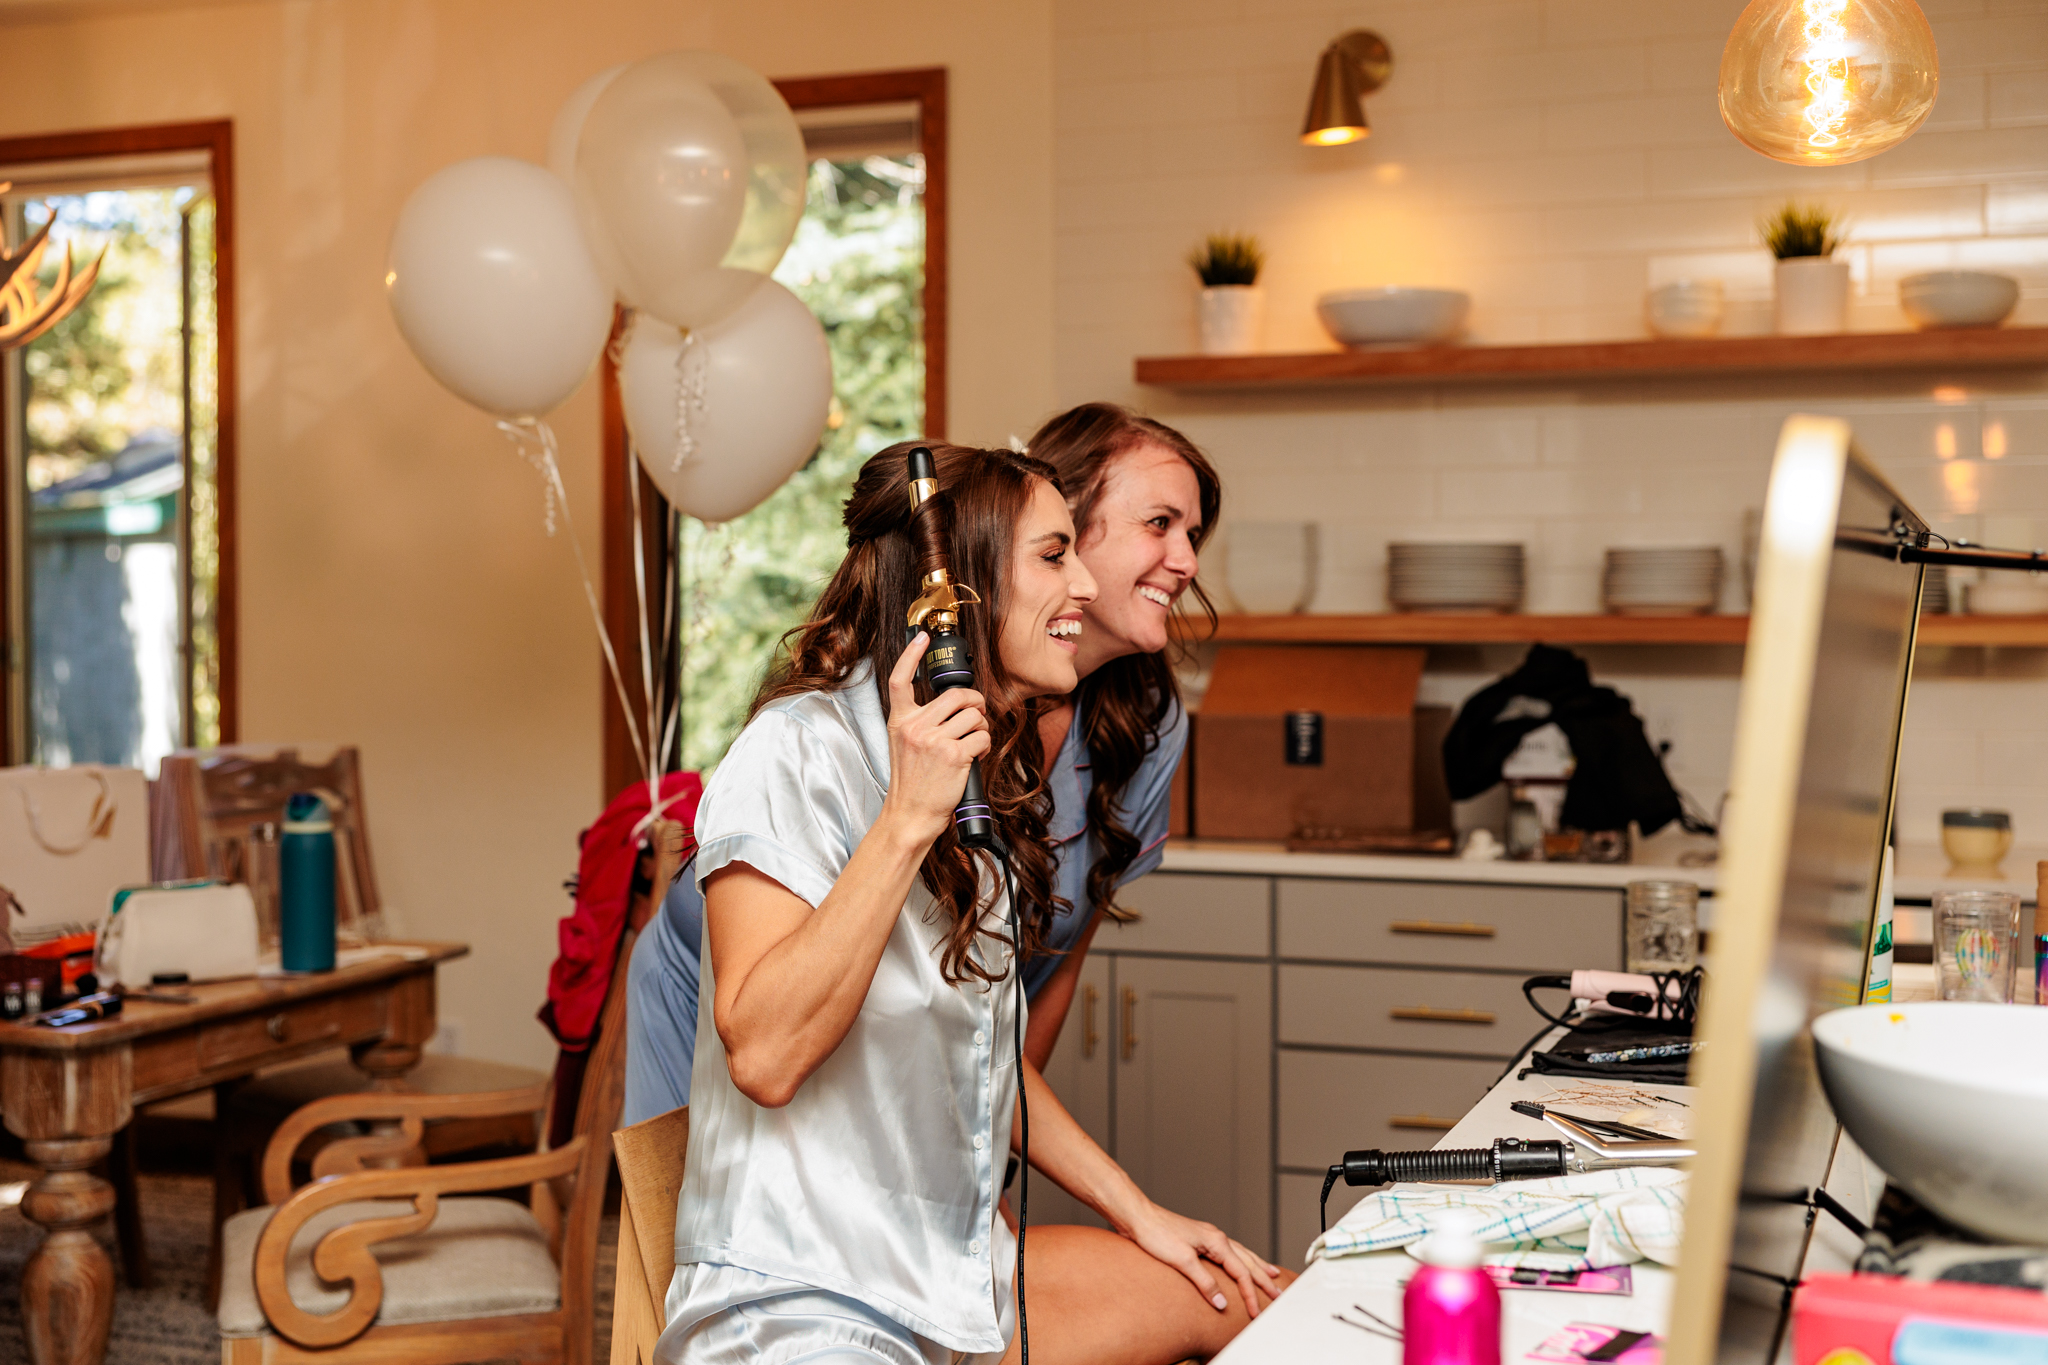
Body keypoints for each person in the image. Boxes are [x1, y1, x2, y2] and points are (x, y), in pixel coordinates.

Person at [659, 443, 1283, 1365]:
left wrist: (1140, 1212)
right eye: (1053, 555)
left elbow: (990, 1059)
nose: (1082, 584)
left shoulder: (986, 776)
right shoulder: (796, 749)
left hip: (956, 1277)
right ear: (954, 595)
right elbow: (766, 1054)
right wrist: (908, 818)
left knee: (1257, 1299)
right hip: (803, 1297)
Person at [624, 401, 1222, 1109]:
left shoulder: (1137, 724)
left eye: (1193, 533)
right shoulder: (836, 735)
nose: (1186, 562)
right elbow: (768, 1050)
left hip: (905, 1067)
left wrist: (990, 1151)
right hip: (738, 1021)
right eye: (1160, 524)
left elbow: (1047, 965)